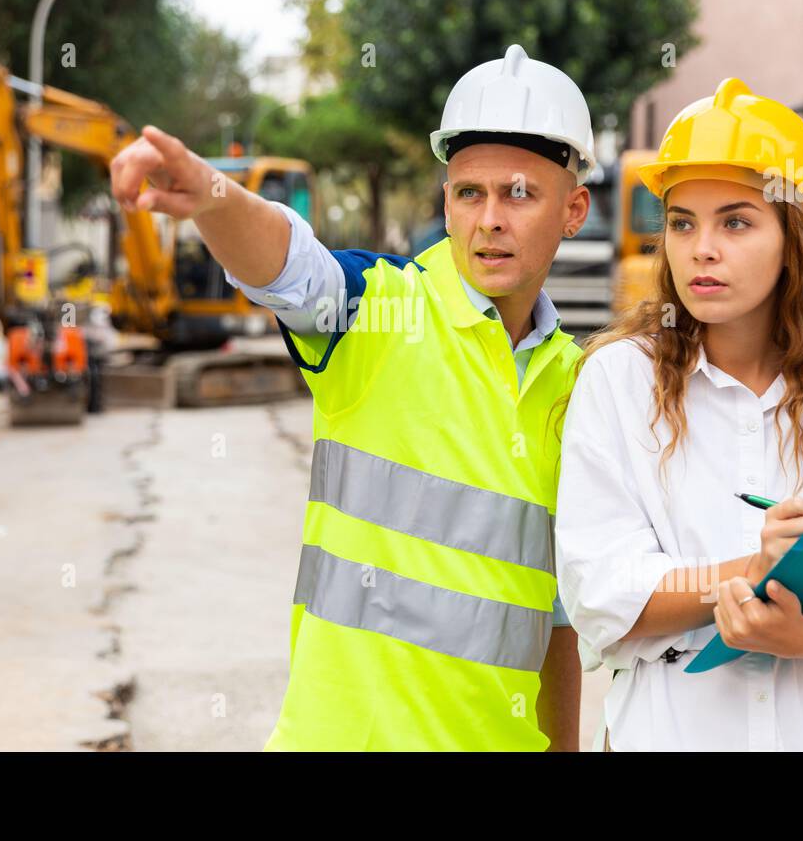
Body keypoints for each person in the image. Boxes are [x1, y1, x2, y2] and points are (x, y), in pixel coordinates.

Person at [110, 44, 592, 751]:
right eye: (468, 193)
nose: (490, 219)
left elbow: (555, 622)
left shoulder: (578, 384)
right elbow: (291, 269)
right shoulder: (380, 312)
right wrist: (213, 196)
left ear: (573, 210)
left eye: (519, 193)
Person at [554, 78, 803, 752]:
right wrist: (747, 571)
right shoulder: (617, 382)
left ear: (794, 238)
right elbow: (599, 589)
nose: (702, 248)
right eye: (681, 222)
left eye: (735, 221)